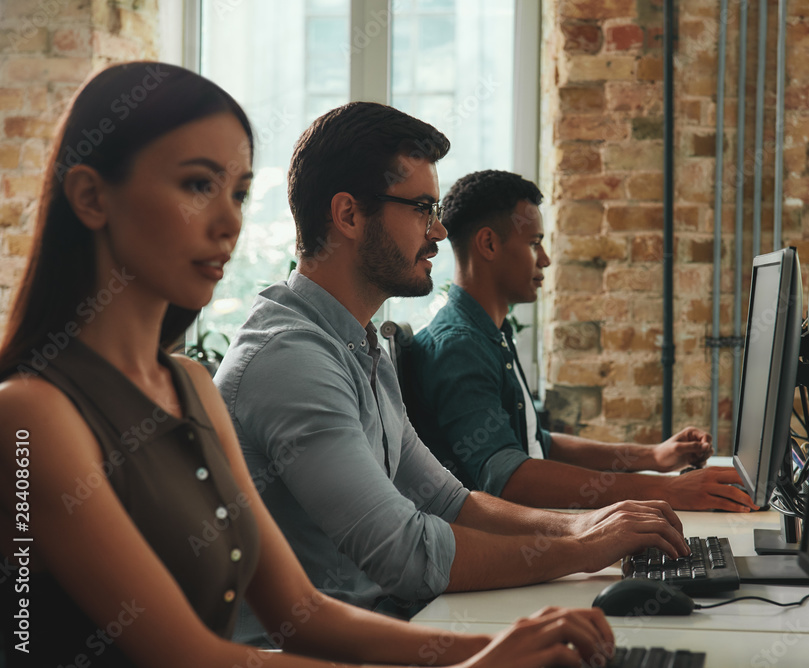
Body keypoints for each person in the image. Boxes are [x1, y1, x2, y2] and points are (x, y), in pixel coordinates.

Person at [0, 62, 619, 668]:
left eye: (239, 192)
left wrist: (493, 648)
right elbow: (197, 657)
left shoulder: (191, 384)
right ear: (90, 196)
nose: (229, 221)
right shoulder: (31, 414)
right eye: (197, 185)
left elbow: (302, 608)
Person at [214, 101, 689, 643]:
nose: (439, 230)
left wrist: (587, 525)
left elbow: (447, 500)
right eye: (421, 207)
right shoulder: (289, 358)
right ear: (347, 215)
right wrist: (582, 550)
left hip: (389, 629)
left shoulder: (359, 340)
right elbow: (405, 554)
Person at [406, 170, 758, 513]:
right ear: (489, 244)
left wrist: (652, 457)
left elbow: (537, 444)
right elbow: (509, 477)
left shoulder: (488, 331)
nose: (544, 259)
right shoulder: (459, 347)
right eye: (533, 243)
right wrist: (669, 490)